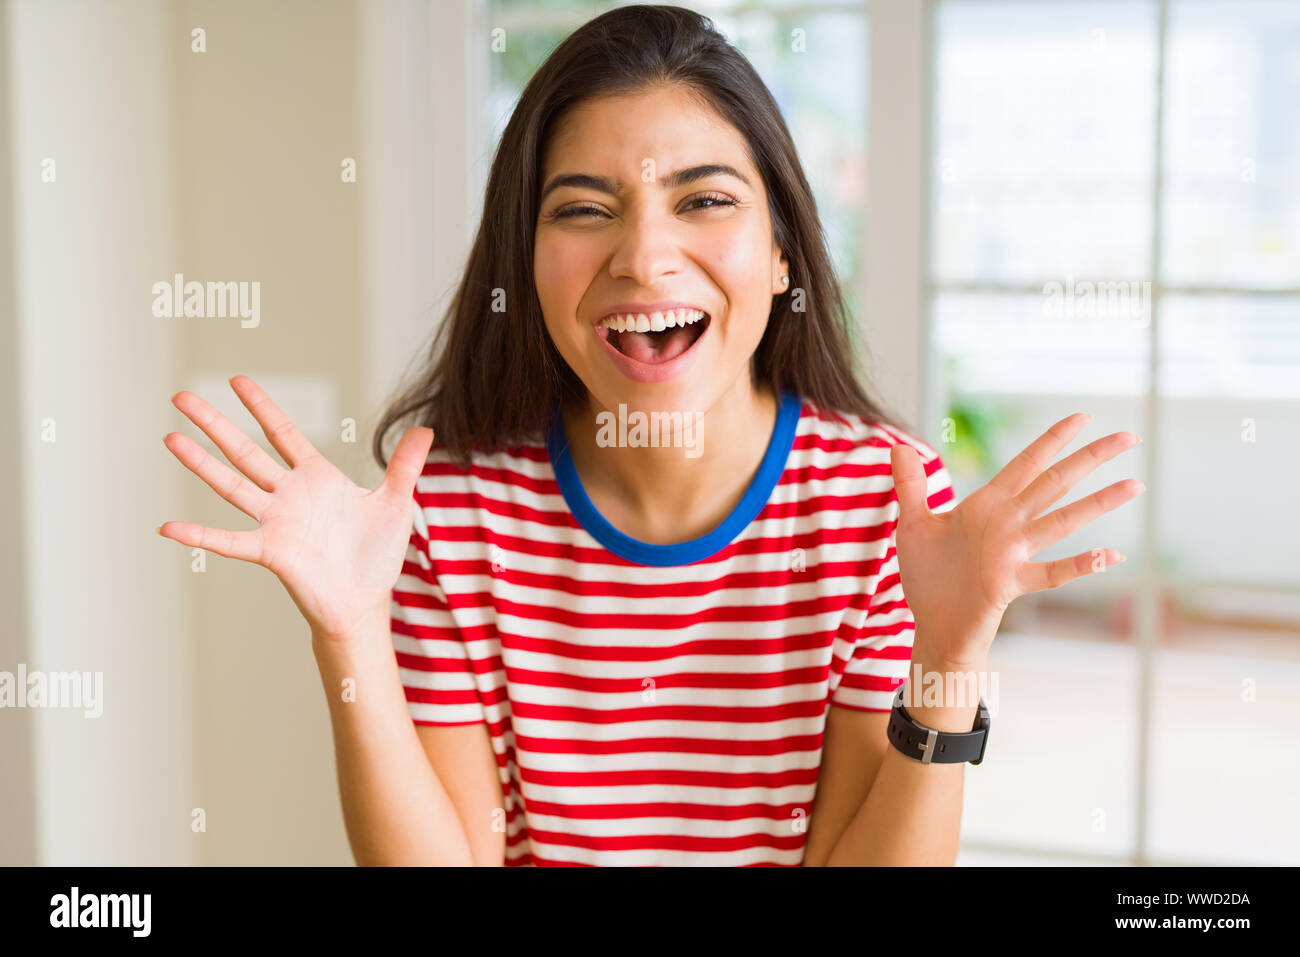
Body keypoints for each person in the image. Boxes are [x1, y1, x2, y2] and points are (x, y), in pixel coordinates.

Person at [158, 4, 1143, 866]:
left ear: (780, 251)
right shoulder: (451, 512)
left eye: (704, 200)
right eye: (584, 210)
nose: (643, 257)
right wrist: (350, 638)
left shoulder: (875, 505)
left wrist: (953, 649)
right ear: (524, 261)